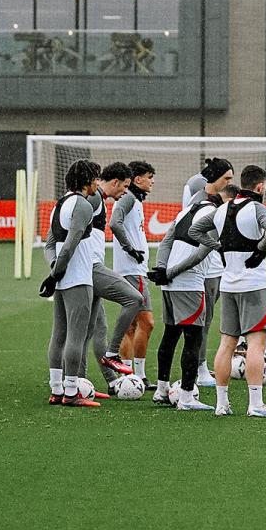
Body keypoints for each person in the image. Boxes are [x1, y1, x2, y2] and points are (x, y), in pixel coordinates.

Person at [208, 165, 266, 417]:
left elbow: (196, 230)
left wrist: (218, 247)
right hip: (253, 285)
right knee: (256, 344)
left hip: (228, 285)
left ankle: (221, 404)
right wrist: (260, 250)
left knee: (226, 343)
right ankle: (255, 404)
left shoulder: (220, 210)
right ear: (260, 186)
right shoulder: (258, 209)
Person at [148, 183, 229, 408]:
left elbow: (166, 241)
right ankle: (186, 397)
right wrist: (171, 272)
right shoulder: (214, 216)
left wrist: (162, 269)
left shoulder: (185, 211)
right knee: (194, 338)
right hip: (189, 282)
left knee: (170, 334)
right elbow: (201, 254)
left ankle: (162, 390)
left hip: (170, 284)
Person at [39, 159, 104, 408]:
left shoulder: (60, 204)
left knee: (59, 335)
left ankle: (56, 390)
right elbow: (71, 243)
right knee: (76, 337)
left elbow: (50, 244)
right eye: (96, 178)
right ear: (87, 181)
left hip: (63, 276)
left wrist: (54, 271)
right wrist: (57, 273)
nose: (98, 184)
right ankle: (71, 392)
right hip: (77, 277)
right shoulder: (83, 205)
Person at [88, 163, 149, 383]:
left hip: (88, 270)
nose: (125, 191)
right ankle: (114, 357)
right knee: (135, 302)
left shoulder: (96, 200)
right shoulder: (93, 199)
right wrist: (130, 248)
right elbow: (72, 236)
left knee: (93, 329)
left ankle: (109, 382)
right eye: (124, 186)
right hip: (90, 270)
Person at [183, 158, 234, 383]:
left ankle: (198, 367)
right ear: (214, 178)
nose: (230, 183)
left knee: (204, 319)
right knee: (202, 320)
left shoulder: (209, 200)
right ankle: (199, 368)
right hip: (206, 268)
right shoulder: (203, 201)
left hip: (214, 266)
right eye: (227, 178)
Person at [108, 160, 155, 382]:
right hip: (132, 270)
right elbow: (114, 223)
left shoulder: (133, 201)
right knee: (147, 323)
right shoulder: (128, 199)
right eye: (149, 177)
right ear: (138, 179)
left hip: (131, 269)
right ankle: (140, 376)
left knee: (131, 325)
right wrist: (131, 249)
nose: (152, 181)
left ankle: (128, 373)